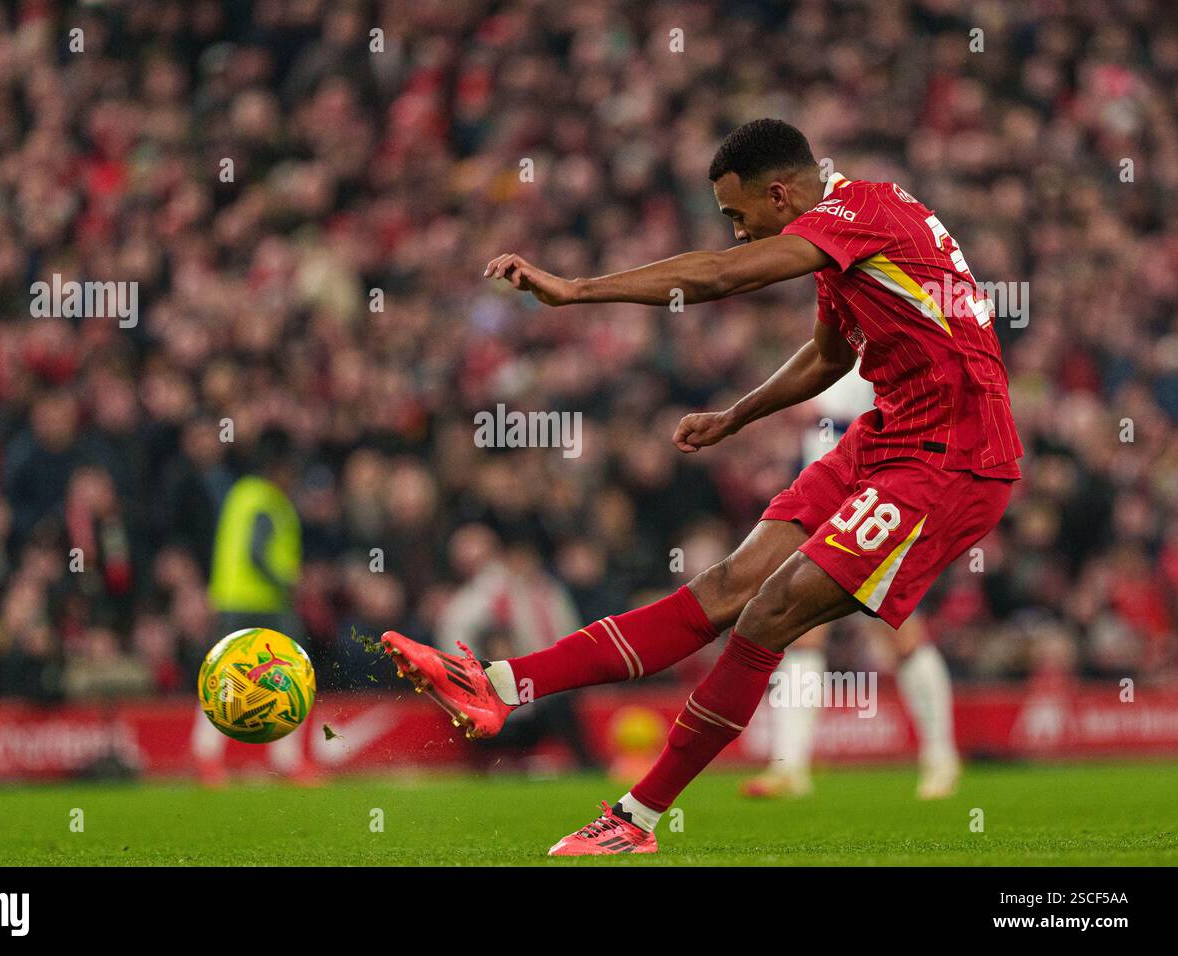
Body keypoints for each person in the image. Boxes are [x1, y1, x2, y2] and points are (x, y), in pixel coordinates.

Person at [381, 118, 1021, 854]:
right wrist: (736, 416)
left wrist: (577, 290)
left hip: (953, 454)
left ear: (779, 194)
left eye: (737, 214)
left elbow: (717, 276)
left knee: (770, 614)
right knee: (724, 588)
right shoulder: (850, 234)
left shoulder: (860, 214)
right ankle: (496, 686)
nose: (738, 232)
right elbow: (826, 359)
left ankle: (636, 818)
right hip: (885, 436)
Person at [743, 365, 961, 801]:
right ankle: (790, 766)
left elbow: (866, 425)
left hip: (868, 501)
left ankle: (941, 756)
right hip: (824, 501)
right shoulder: (840, 342)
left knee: (894, 629)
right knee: (802, 629)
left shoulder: (872, 352)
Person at [191, 426, 318, 786]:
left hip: (231, 599)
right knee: (294, 674)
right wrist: (292, 582)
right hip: (263, 603)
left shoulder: (241, 494)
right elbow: (257, 553)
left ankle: (206, 757)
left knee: (221, 678)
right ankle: (287, 759)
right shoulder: (267, 500)